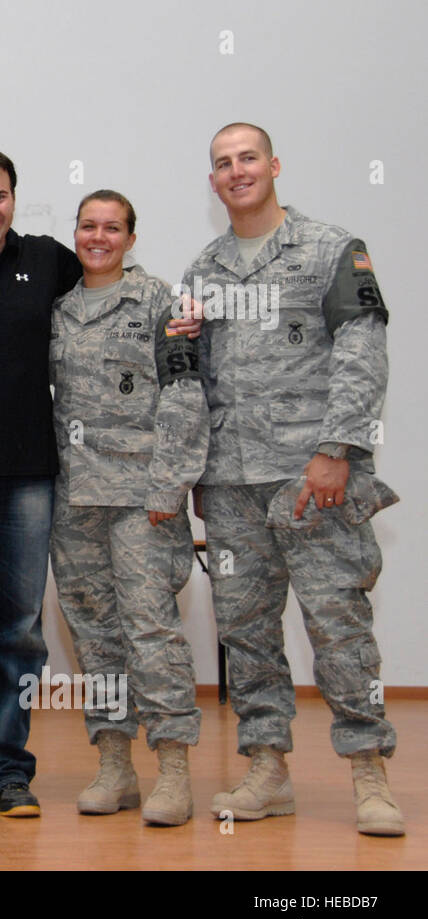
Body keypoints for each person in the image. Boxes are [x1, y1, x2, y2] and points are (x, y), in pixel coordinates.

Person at [0, 147, 202, 822]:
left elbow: (115, 283)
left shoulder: (51, 263)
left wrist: (178, 314)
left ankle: (6, 769)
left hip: (31, 482)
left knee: (20, 631)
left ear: (14, 199)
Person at [185, 123, 402, 836]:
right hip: (230, 484)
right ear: (213, 181)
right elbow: (193, 382)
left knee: (339, 629)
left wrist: (337, 446)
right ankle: (268, 768)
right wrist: (192, 472)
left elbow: (362, 350)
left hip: (313, 478)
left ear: (273, 165)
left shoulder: (331, 248)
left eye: (248, 157)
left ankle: (370, 773)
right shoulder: (204, 271)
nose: (236, 171)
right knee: (246, 634)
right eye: (223, 164)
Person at [48, 190, 207, 826]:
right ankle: (115, 764)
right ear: (76, 232)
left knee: (151, 633)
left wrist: (170, 486)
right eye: (89, 226)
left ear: (130, 238)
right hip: (75, 499)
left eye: (112, 228)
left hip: (143, 500)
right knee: (95, 638)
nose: (99, 237)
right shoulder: (55, 309)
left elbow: (186, 394)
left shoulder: (162, 303)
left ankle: (173, 768)